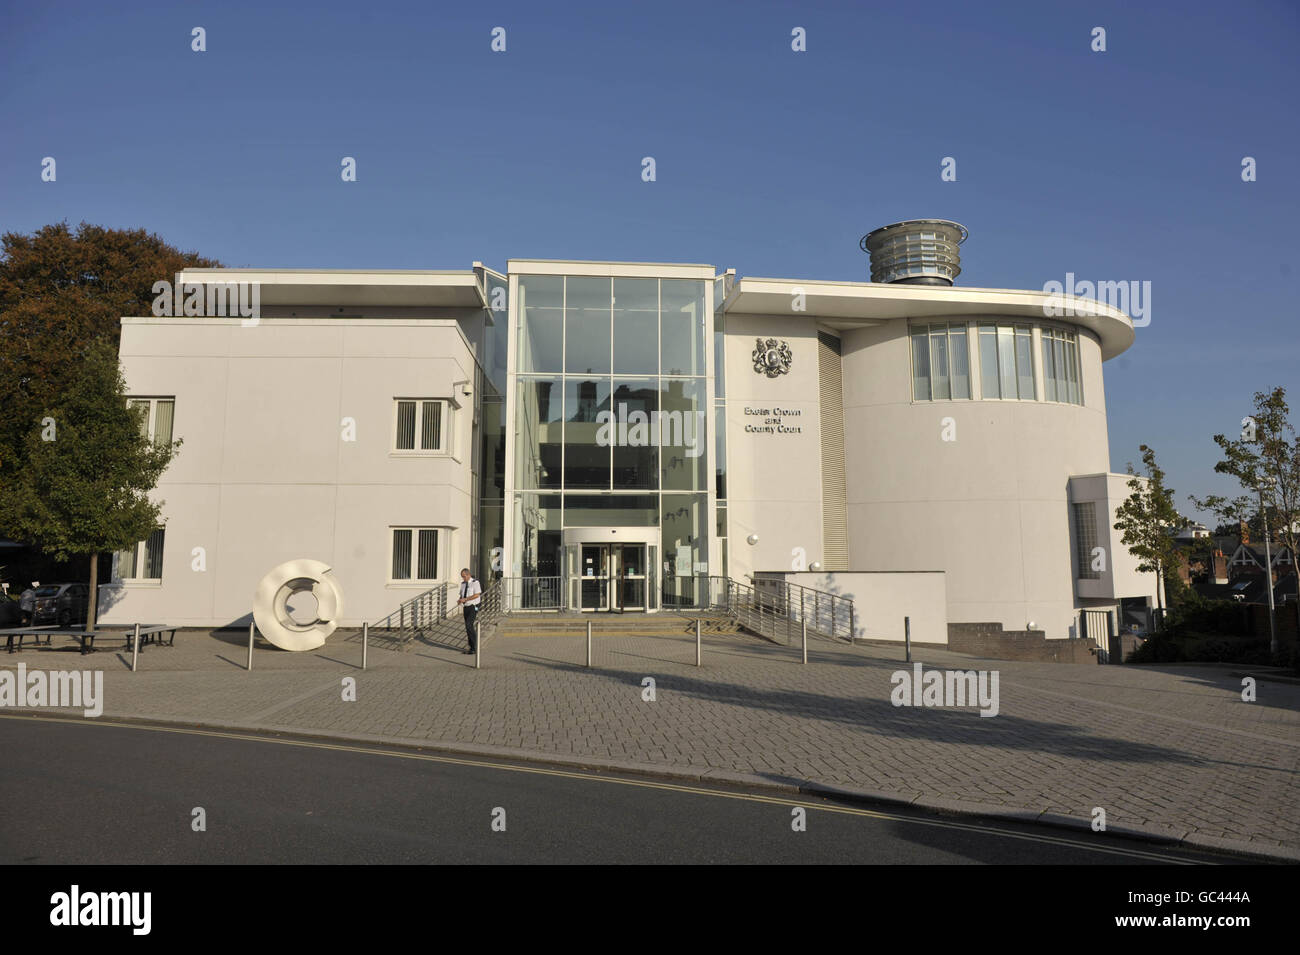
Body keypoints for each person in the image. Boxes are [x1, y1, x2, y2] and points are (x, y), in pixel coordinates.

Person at [456, 568, 482, 654]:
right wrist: (460, 600)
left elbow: (477, 595)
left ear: (468, 575)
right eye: (462, 577)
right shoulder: (463, 584)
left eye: (464, 576)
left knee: (469, 624)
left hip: (473, 606)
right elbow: (462, 594)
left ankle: (475, 647)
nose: (463, 578)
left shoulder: (475, 582)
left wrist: (466, 599)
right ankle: (471, 647)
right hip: (466, 606)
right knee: (468, 627)